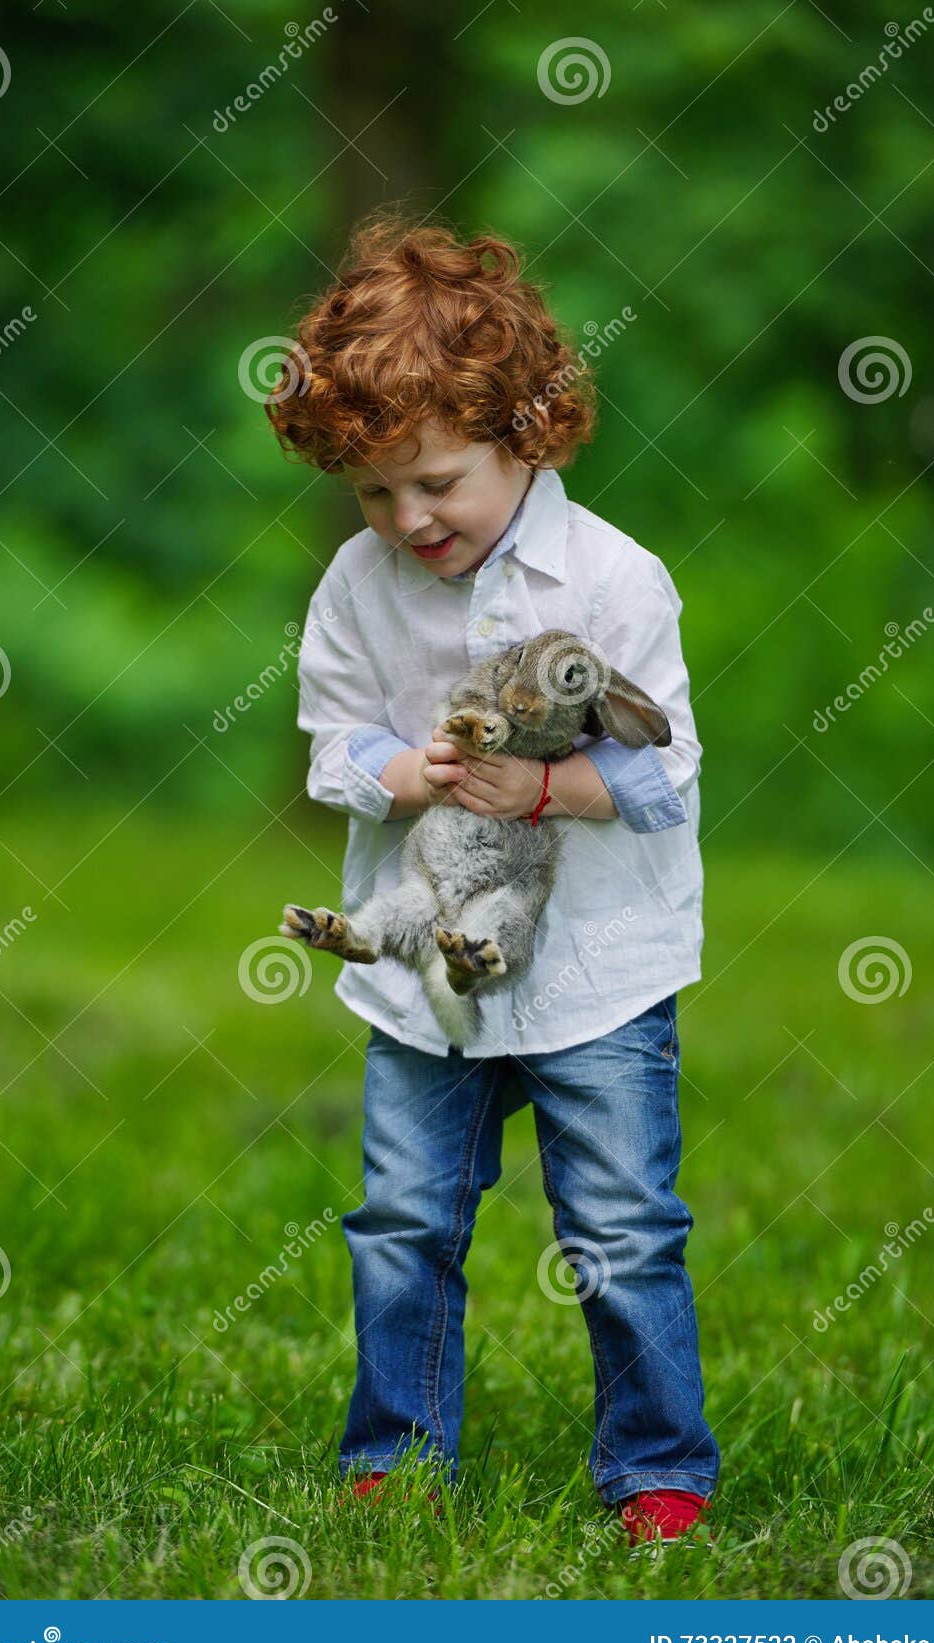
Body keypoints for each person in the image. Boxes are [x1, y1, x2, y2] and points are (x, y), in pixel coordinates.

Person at [265, 213, 719, 1547]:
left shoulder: (616, 577)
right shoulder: (359, 585)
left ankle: (656, 1470)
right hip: (429, 987)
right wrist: (395, 769)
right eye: (374, 493)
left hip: (597, 969)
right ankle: (398, 1455)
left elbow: (664, 771)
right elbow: (329, 741)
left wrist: (540, 788)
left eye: (439, 483)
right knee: (403, 1217)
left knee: (625, 1225)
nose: (409, 520)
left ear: (526, 433)